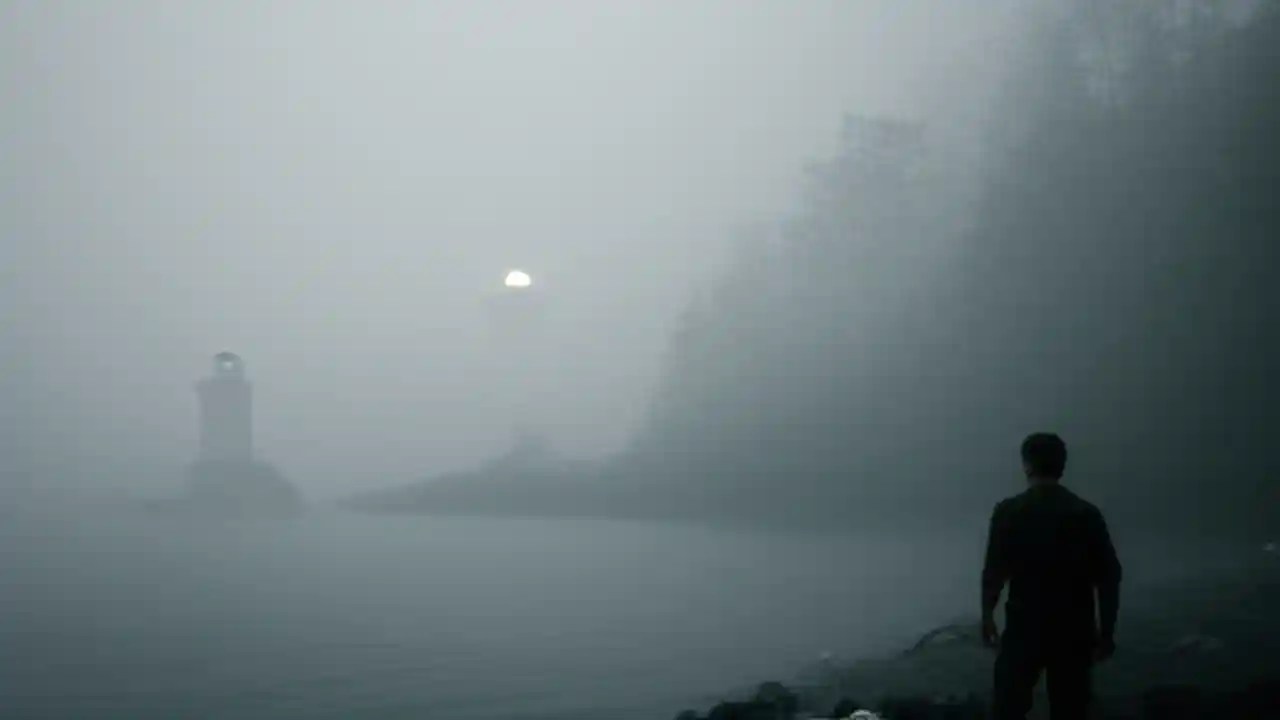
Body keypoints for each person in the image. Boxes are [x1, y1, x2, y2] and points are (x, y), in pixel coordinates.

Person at [981, 433, 1122, 720]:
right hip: (1074, 629)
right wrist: (1106, 632)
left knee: (1008, 708)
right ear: (1062, 465)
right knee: (1070, 709)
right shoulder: (1085, 513)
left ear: (1026, 465)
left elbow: (994, 571)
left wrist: (987, 615)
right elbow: (1108, 577)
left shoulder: (1009, 512)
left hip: (1024, 627)